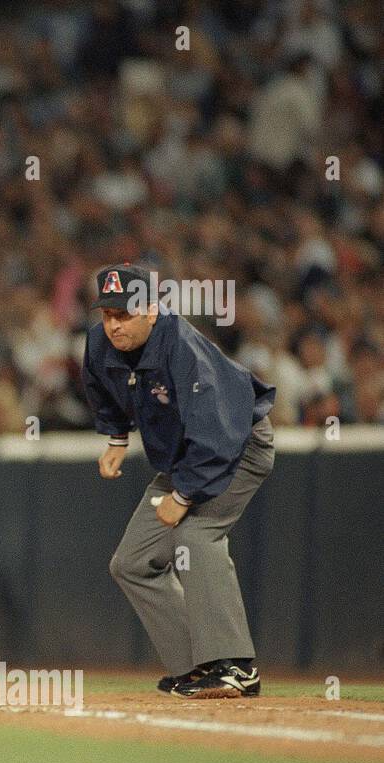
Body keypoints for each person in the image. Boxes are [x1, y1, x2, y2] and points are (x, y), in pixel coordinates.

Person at [81, 263, 276, 698]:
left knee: (196, 535)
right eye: (108, 314)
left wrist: (184, 494)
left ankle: (235, 666)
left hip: (237, 446)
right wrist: (116, 438)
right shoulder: (100, 343)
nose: (113, 325)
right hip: (187, 458)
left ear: (151, 310)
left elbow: (217, 435)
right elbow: (102, 388)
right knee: (131, 563)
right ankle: (196, 666)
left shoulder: (182, 347)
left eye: (124, 314)